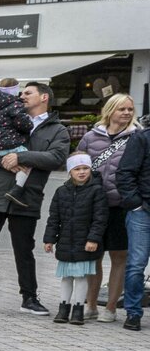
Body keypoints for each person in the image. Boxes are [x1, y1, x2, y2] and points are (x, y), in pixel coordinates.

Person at [0, 81, 67, 316]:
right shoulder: (5, 116)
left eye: (28, 93)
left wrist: (22, 156)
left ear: (44, 98)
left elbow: (57, 157)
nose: (22, 96)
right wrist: (2, 161)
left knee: (24, 250)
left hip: (27, 197)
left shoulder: (57, 130)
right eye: (21, 92)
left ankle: (29, 298)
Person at [76, 93, 135, 320]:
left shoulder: (136, 137)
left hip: (122, 205)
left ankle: (110, 307)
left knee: (120, 255)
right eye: (122, 109)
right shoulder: (91, 137)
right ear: (110, 110)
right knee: (93, 256)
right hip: (94, 205)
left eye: (130, 109)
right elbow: (78, 164)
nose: (127, 113)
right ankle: (91, 304)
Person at [44, 153, 109, 325]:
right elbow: (54, 218)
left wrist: (93, 239)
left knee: (81, 277)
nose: (81, 172)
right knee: (66, 277)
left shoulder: (97, 191)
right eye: (77, 169)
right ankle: (63, 309)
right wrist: (49, 239)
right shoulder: (61, 191)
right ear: (70, 171)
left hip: (85, 243)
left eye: (85, 168)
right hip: (66, 242)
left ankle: (78, 310)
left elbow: (100, 218)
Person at [114, 103, 150, 330]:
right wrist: (135, 204)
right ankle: (133, 312)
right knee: (136, 264)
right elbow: (125, 172)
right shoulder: (142, 138)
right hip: (142, 211)